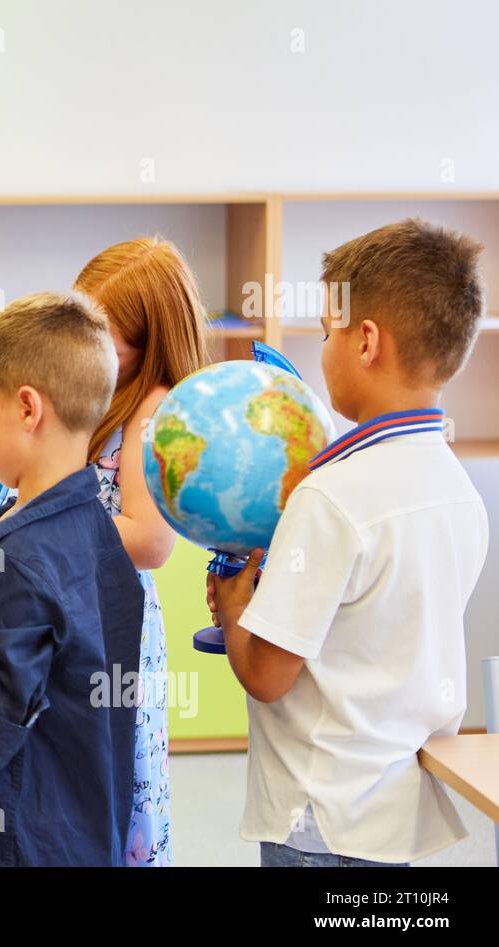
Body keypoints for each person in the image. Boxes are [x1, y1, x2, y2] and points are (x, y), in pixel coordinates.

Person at [207, 218, 489, 866]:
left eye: (327, 331)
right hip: (392, 809)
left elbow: (267, 676)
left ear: (366, 341)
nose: (323, 348)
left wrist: (234, 600)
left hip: (317, 817)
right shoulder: (459, 491)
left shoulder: (330, 496)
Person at [0, 290, 146, 865]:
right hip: (83, 832)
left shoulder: (14, 560)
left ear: (29, 409)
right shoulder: (97, 527)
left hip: (15, 844)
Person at [75, 237, 210, 866]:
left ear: (150, 341)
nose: (83, 343)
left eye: (103, 334)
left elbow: (151, 541)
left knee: (122, 779)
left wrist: (42, 529)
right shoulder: (103, 393)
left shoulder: (153, 409)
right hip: (82, 610)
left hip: (117, 621)